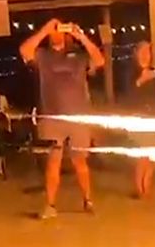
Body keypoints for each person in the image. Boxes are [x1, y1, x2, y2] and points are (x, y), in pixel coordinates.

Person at [19, 18, 106, 219]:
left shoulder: (78, 56)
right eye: (54, 31)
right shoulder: (42, 56)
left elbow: (99, 60)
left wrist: (81, 36)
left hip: (78, 118)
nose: (56, 34)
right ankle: (50, 205)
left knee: (80, 162)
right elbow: (24, 51)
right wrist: (44, 29)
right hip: (51, 117)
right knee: (53, 162)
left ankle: (88, 200)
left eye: (60, 30)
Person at [122, 40, 155, 199]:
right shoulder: (131, 72)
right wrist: (147, 77)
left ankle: (147, 187)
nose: (146, 54)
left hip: (153, 118)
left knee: (151, 156)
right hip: (137, 119)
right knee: (142, 156)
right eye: (142, 51)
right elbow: (133, 87)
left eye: (148, 51)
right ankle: (140, 189)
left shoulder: (154, 72)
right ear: (136, 54)